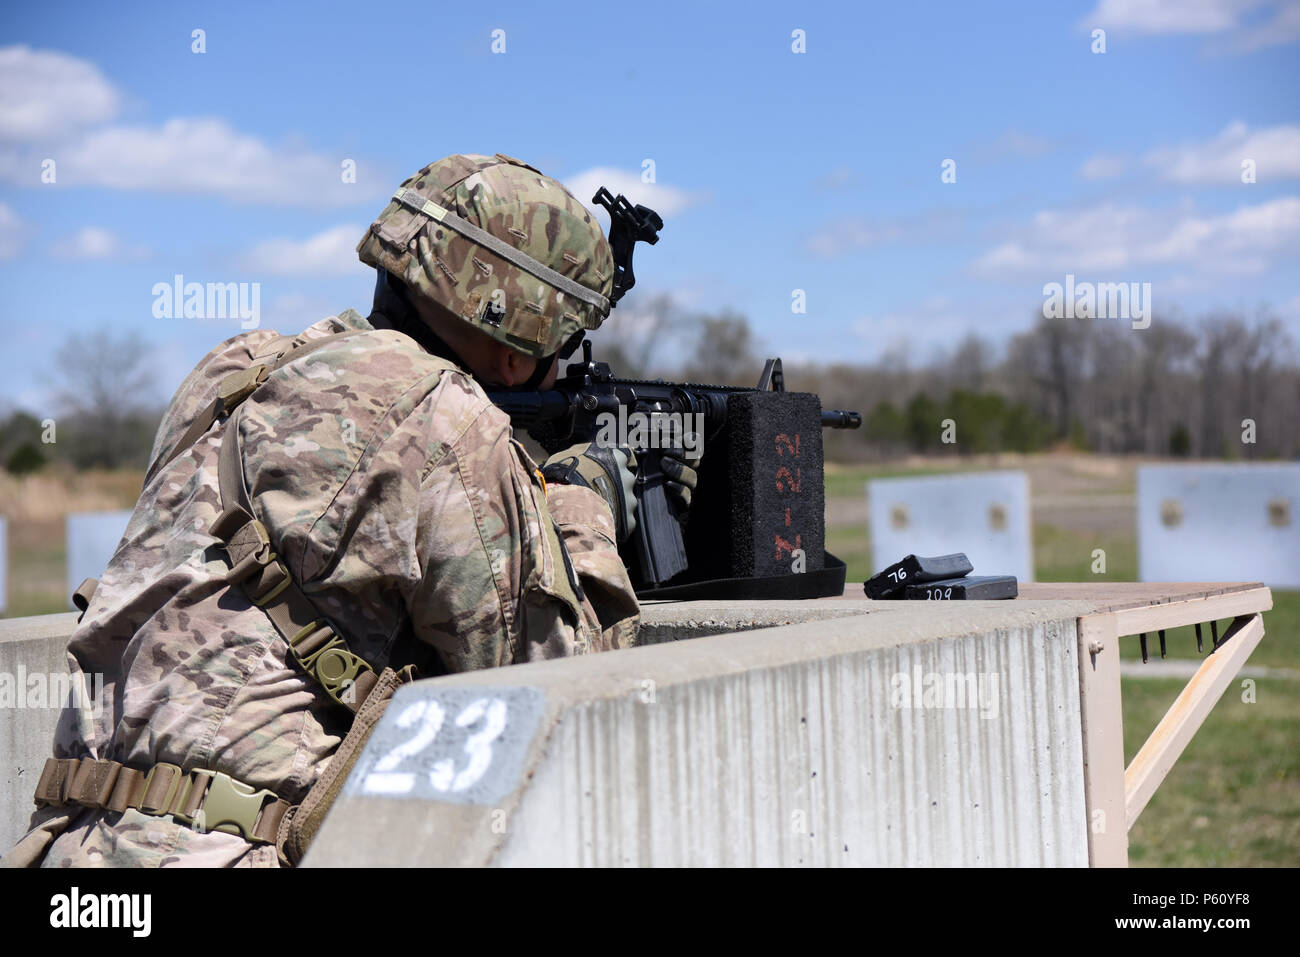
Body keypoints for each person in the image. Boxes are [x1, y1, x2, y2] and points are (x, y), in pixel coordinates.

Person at [9, 153, 688, 867]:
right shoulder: (451, 422)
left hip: (63, 846)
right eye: (562, 348)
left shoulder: (235, 369)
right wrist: (579, 505)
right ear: (514, 350)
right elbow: (562, 694)